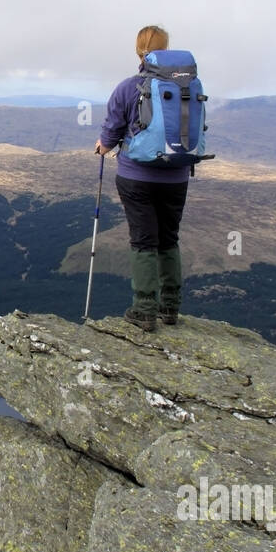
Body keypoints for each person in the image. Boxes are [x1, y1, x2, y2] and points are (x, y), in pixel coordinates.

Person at [94, 24, 189, 332]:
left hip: (137, 176)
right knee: (168, 239)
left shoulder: (128, 87)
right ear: (167, 49)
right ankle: (170, 308)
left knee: (144, 240)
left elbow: (111, 132)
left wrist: (103, 147)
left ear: (139, 51)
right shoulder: (187, 87)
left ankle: (145, 310)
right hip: (176, 176)